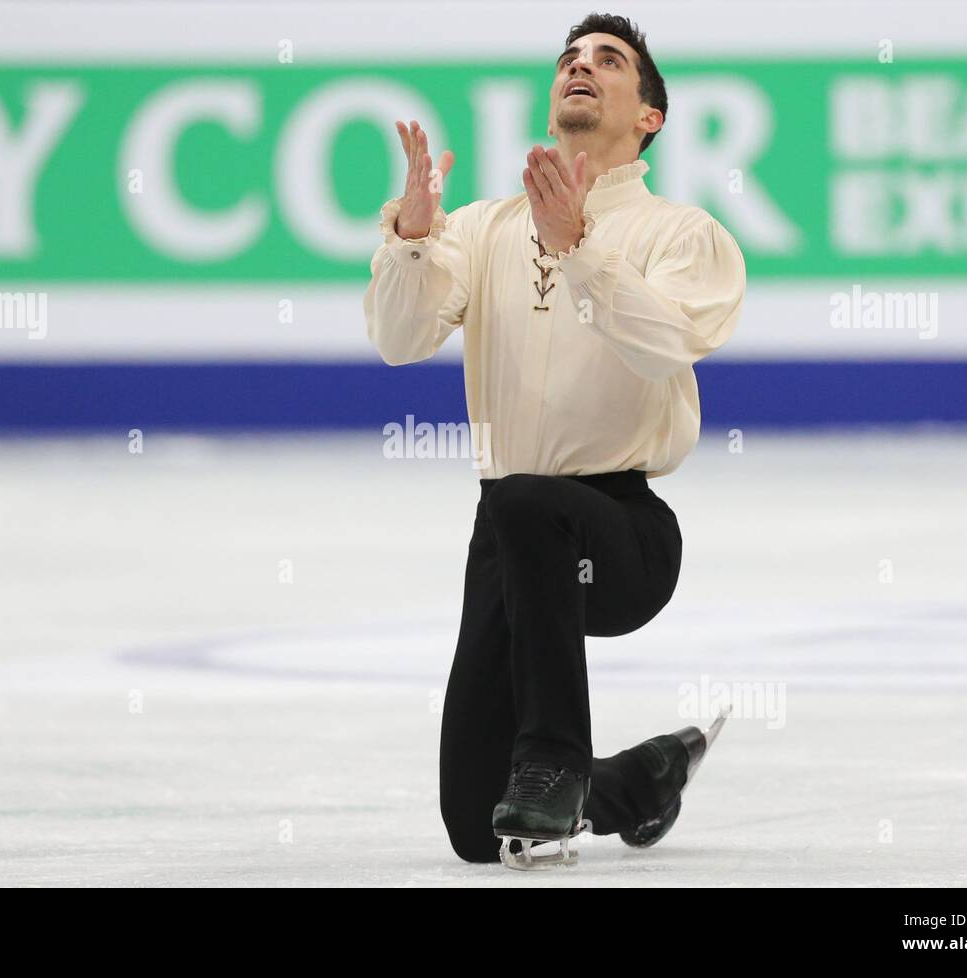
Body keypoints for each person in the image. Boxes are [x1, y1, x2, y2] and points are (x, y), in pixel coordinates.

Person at [363, 12, 746, 867]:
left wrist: (579, 249)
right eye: (570, 59)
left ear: (648, 115)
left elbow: (663, 343)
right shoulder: (484, 227)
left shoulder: (683, 235)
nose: (582, 67)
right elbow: (398, 339)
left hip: (622, 537)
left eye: (609, 61)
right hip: (507, 536)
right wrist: (416, 241)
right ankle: (639, 779)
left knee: (531, 499)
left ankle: (554, 760)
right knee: (474, 825)